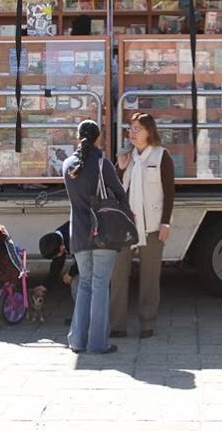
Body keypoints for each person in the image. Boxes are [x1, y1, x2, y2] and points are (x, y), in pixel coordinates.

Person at [63, 119, 125, 355]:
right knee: (100, 285)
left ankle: (78, 341)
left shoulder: (67, 165)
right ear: (99, 138)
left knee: (85, 284)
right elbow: (119, 193)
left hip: (78, 233)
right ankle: (98, 343)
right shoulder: (102, 164)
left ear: (77, 137)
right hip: (102, 232)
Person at [111, 112, 175, 339]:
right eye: (131, 129)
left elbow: (169, 193)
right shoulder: (127, 156)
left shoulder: (161, 156)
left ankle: (147, 323)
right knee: (118, 275)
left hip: (153, 225)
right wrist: (120, 168)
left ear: (149, 131)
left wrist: (166, 223)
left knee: (150, 277)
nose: (132, 133)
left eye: (137, 129)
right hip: (126, 225)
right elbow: (116, 190)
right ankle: (117, 325)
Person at [38, 222, 80, 300]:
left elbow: (82, 261)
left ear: (61, 248)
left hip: (94, 252)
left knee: (76, 284)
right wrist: (46, 285)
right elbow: (57, 264)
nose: (57, 257)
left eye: (56, 255)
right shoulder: (57, 239)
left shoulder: (74, 238)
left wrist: (71, 273)